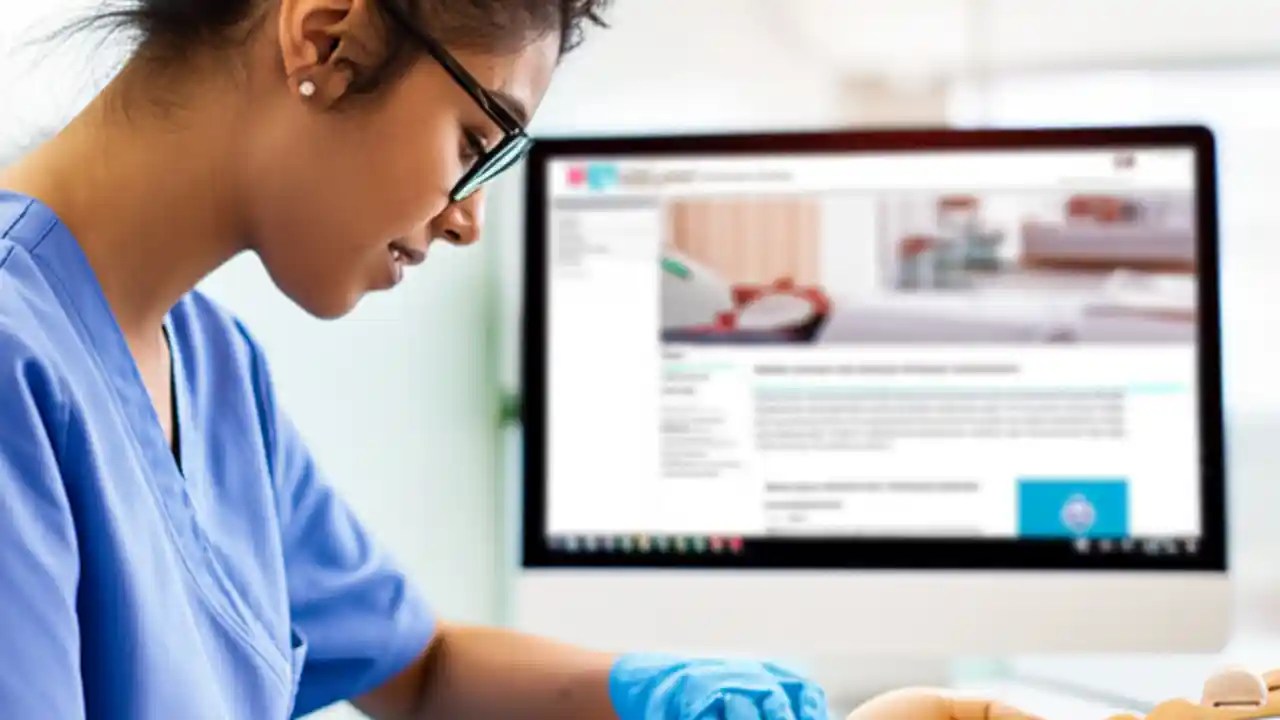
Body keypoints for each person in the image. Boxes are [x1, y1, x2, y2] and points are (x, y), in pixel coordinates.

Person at [0, 1, 1039, 718]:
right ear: (323, 36)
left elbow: (421, 671)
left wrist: (672, 692)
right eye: (472, 140)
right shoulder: (15, 364)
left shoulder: (215, 371)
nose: (467, 223)